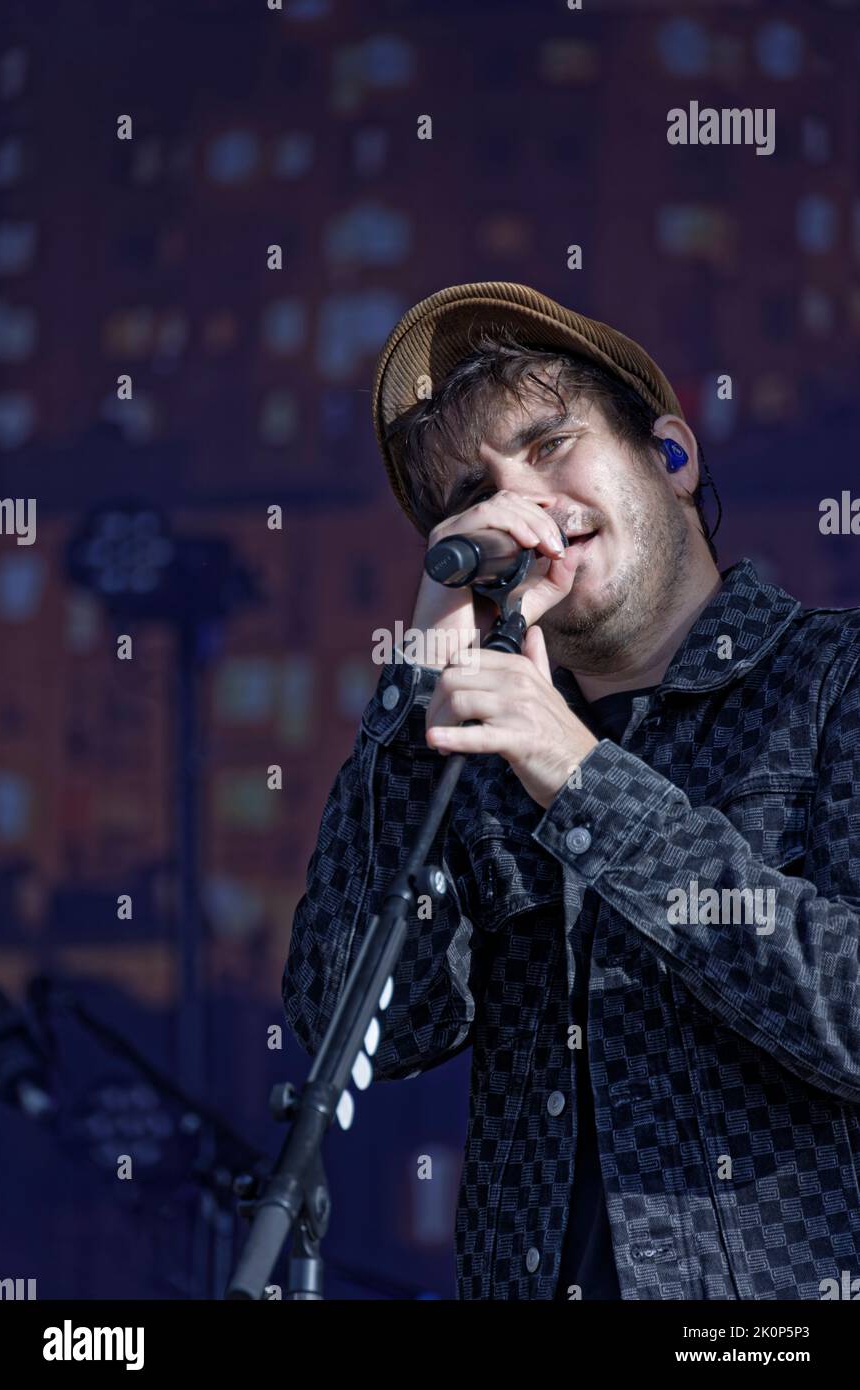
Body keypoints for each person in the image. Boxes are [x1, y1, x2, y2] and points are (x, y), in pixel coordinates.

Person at [282, 282, 860, 1300]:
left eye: (548, 445)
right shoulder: (473, 752)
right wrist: (414, 709)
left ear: (672, 456)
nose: (519, 504)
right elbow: (353, 1024)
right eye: (471, 493)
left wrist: (584, 783)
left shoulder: (835, 677)